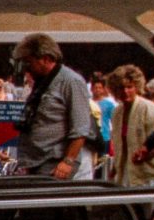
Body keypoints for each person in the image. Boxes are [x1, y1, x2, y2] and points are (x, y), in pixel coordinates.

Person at [11, 34, 95, 180]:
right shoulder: (42, 83)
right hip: (35, 160)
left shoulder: (71, 81)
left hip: (54, 162)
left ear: (46, 58)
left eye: (29, 63)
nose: (26, 69)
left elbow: (81, 127)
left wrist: (68, 161)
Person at [110, 66, 154, 188]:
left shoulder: (149, 108)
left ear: (137, 87)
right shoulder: (116, 112)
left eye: (129, 87)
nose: (125, 91)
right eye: (121, 88)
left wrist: (145, 156)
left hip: (147, 174)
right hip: (124, 173)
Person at [90, 76, 117, 178]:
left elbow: (114, 121)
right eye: (95, 87)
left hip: (104, 136)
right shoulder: (88, 102)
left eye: (99, 88)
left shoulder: (109, 104)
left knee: (102, 163)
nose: (97, 90)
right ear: (92, 89)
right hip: (92, 137)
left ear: (103, 89)